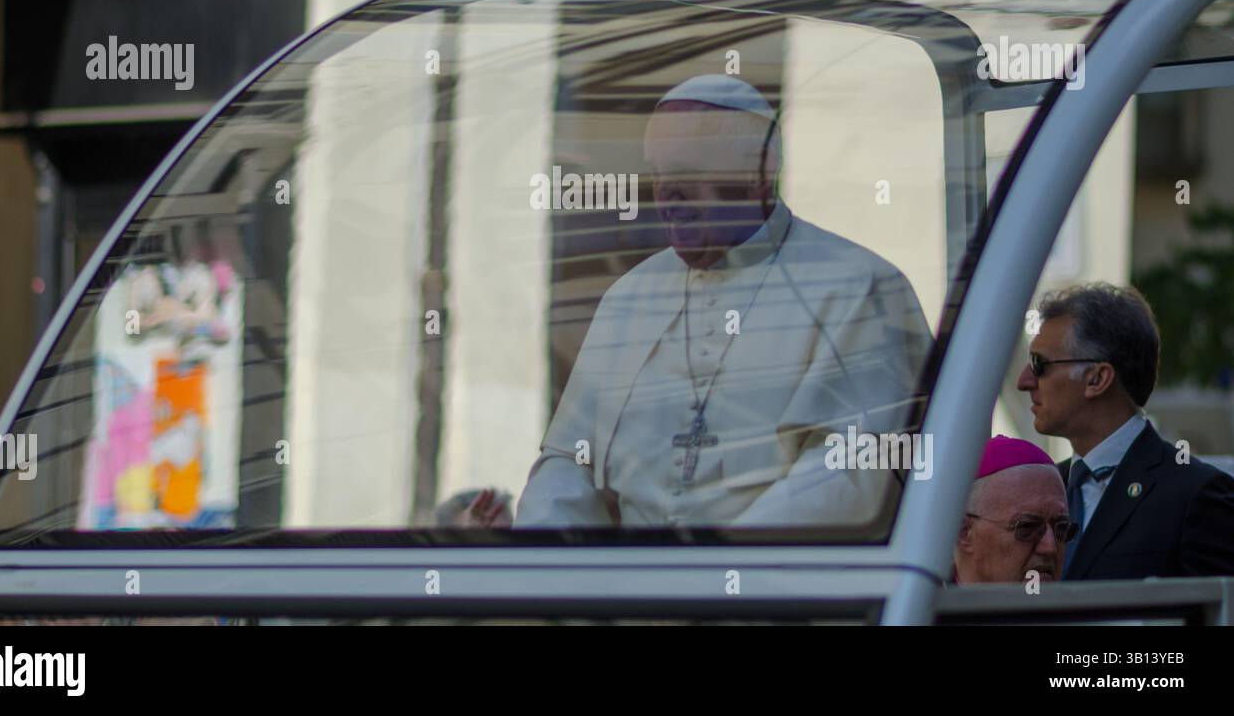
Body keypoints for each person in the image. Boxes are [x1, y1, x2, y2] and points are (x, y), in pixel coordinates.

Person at [512, 75, 933, 528]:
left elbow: (853, 470)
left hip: (785, 589)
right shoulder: (630, 297)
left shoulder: (859, 287)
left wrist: (721, 571)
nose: (666, 195)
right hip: (630, 588)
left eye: (689, 173)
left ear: (760, 171)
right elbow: (569, 461)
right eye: (658, 173)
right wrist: (545, 564)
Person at [1020, 283, 1234, 579]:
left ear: (1097, 378)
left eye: (1038, 365)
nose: (1024, 381)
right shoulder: (1044, 489)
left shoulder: (1196, 496)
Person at [953, 435, 1074, 584]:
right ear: (964, 533)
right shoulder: (920, 604)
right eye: (1027, 527)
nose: (1050, 548)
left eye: (1062, 528)